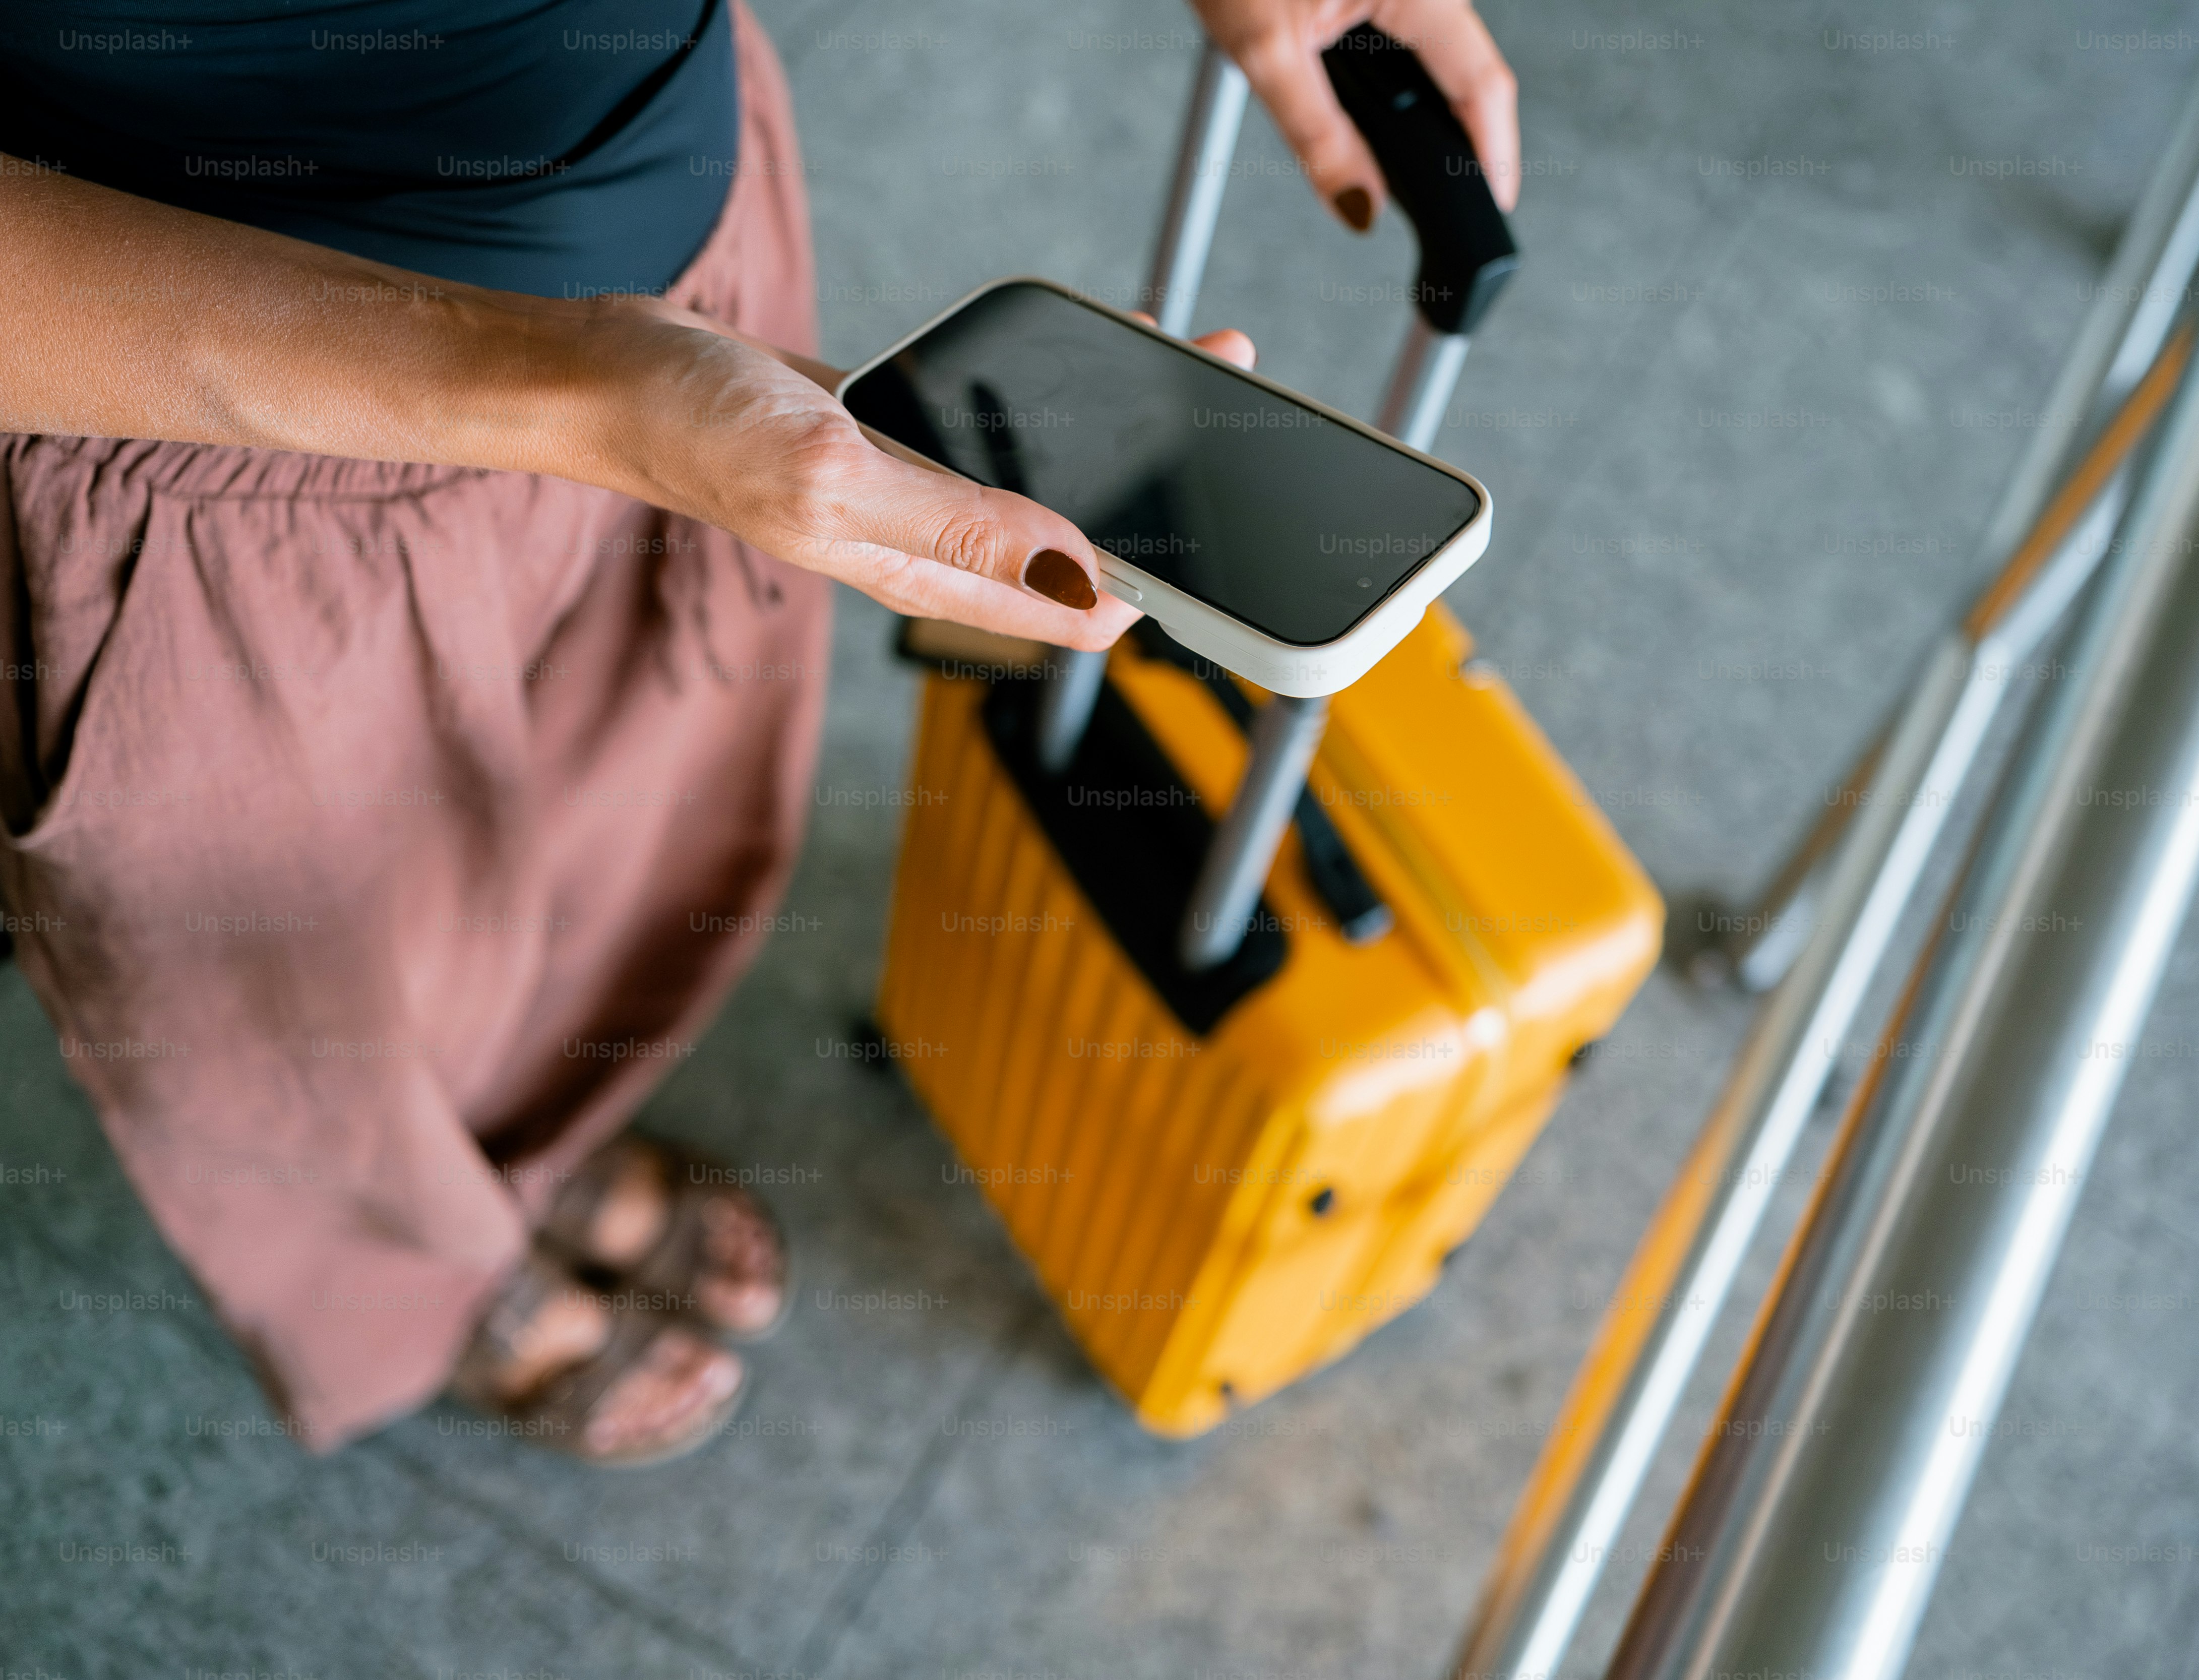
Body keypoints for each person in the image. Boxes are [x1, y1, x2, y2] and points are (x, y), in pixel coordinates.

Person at [0, 0, 1519, 1464]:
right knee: (281, 986)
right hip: (209, 414)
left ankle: (540, 1140)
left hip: (676, 230)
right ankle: (427, 1278)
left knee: (635, 792)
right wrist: (581, 398)